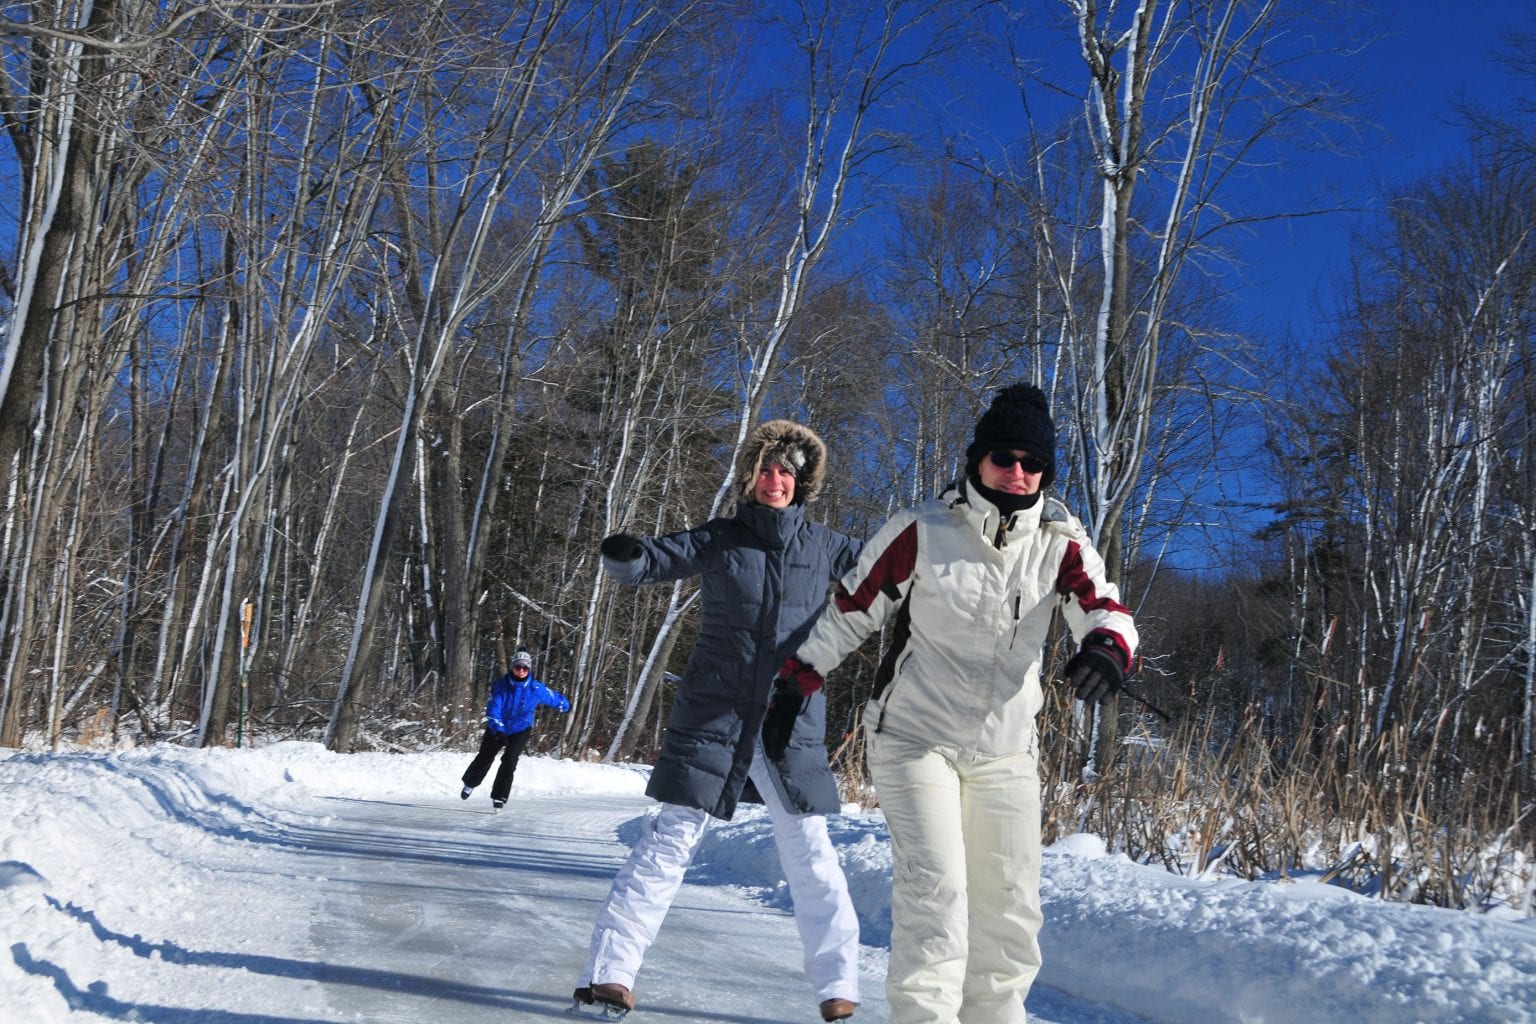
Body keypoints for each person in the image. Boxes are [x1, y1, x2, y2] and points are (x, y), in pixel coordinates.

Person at [763, 383, 1139, 1024]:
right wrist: (800, 676)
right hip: (914, 737)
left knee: (1011, 908)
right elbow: (853, 608)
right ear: (977, 460)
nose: (1016, 473)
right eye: (1003, 458)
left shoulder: (1060, 543)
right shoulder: (924, 528)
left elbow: (1104, 607)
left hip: (1005, 752)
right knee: (937, 893)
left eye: (1031, 463)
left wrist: (1107, 647)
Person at [572, 420, 865, 1023]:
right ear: (749, 477)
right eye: (764, 469)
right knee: (669, 840)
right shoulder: (723, 538)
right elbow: (661, 556)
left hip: (790, 717)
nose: (774, 479)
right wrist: (627, 555)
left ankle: (839, 987)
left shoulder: (830, 547)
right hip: (716, 712)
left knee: (809, 850)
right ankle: (610, 975)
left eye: (786, 471)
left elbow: (886, 583)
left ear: (803, 481)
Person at [460, 647, 570, 811]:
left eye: (524, 668)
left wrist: (567, 706)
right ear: (512, 667)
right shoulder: (501, 686)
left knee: (510, 761)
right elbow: (493, 709)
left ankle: (499, 796)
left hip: (521, 728)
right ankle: (470, 783)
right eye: (517, 667)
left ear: (529, 670)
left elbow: (553, 698)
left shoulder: (536, 689)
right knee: (485, 757)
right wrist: (498, 729)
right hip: (498, 727)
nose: (520, 671)